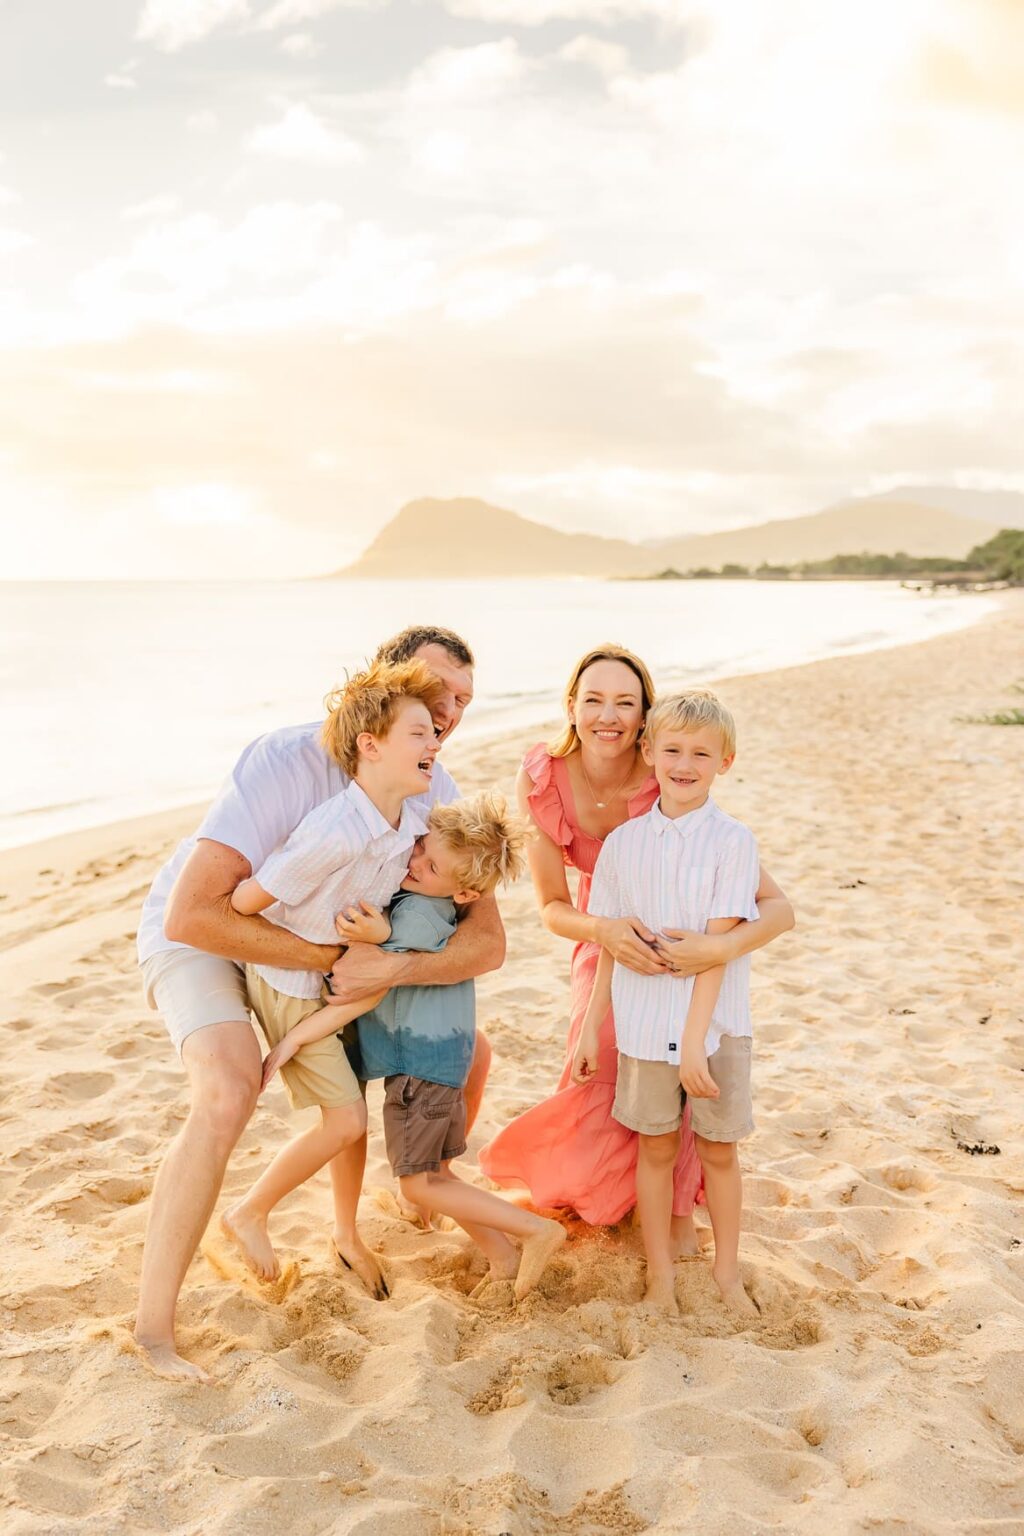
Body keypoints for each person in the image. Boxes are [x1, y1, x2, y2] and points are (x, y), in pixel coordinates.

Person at [135, 625, 501, 1383]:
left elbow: (486, 944)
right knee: (229, 1088)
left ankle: (376, 1217)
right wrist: (340, 962)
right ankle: (153, 1333)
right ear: (386, 685)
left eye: (463, 701)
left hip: (320, 958)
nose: (449, 714)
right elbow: (196, 914)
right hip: (210, 938)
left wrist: (385, 970)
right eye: (435, 694)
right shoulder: (287, 760)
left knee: (467, 1048)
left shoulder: (437, 787)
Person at [479, 645, 793, 1249]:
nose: (608, 716)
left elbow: (772, 904)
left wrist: (715, 951)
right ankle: (608, 1194)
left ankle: (677, 1211)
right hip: (599, 932)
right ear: (570, 706)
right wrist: (607, 935)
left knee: (678, 1061)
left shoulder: (666, 769)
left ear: (645, 719)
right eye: (593, 699)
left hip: (680, 942)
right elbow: (551, 907)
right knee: (597, 1058)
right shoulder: (542, 776)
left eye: (626, 703)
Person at [260, 793, 565, 1300]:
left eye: (433, 865)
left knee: (418, 1184)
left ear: (466, 893)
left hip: (419, 1067)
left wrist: (296, 1035)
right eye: (420, 849)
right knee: (437, 1176)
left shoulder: (419, 918)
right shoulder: (424, 905)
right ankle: (503, 1256)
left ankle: (534, 1232)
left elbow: (364, 993)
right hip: (442, 1059)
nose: (416, 863)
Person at [216, 658, 445, 1282]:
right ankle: (248, 1210)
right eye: (419, 733)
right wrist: (313, 949)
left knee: (353, 1110)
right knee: (345, 1119)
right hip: (292, 983)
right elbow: (243, 903)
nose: (435, 742)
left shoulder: (412, 823)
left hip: (340, 984)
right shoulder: (333, 831)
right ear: (370, 747)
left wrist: (373, 938)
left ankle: (340, 1231)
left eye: (435, 732)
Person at [573, 688, 762, 1317]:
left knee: (719, 1150)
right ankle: (660, 1278)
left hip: (718, 1030)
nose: (685, 764)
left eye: (701, 753)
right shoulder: (623, 846)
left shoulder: (734, 842)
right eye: (673, 749)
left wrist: (696, 1046)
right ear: (649, 751)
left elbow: (716, 949)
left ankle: (727, 1273)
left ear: (724, 761)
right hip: (644, 1028)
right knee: (653, 1149)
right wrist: (588, 1028)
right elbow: (609, 947)